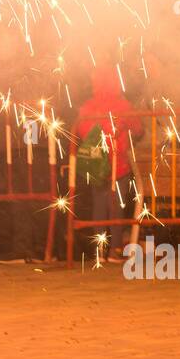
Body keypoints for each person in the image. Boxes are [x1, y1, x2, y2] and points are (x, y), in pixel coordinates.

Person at [74, 66, 142, 262]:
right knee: (117, 204)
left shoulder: (88, 106)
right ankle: (115, 249)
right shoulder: (123, 105)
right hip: (118, 161)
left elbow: (81, 129)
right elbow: (137, 128)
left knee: (99, 204)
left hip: (97, 162)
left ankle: (99, 249)